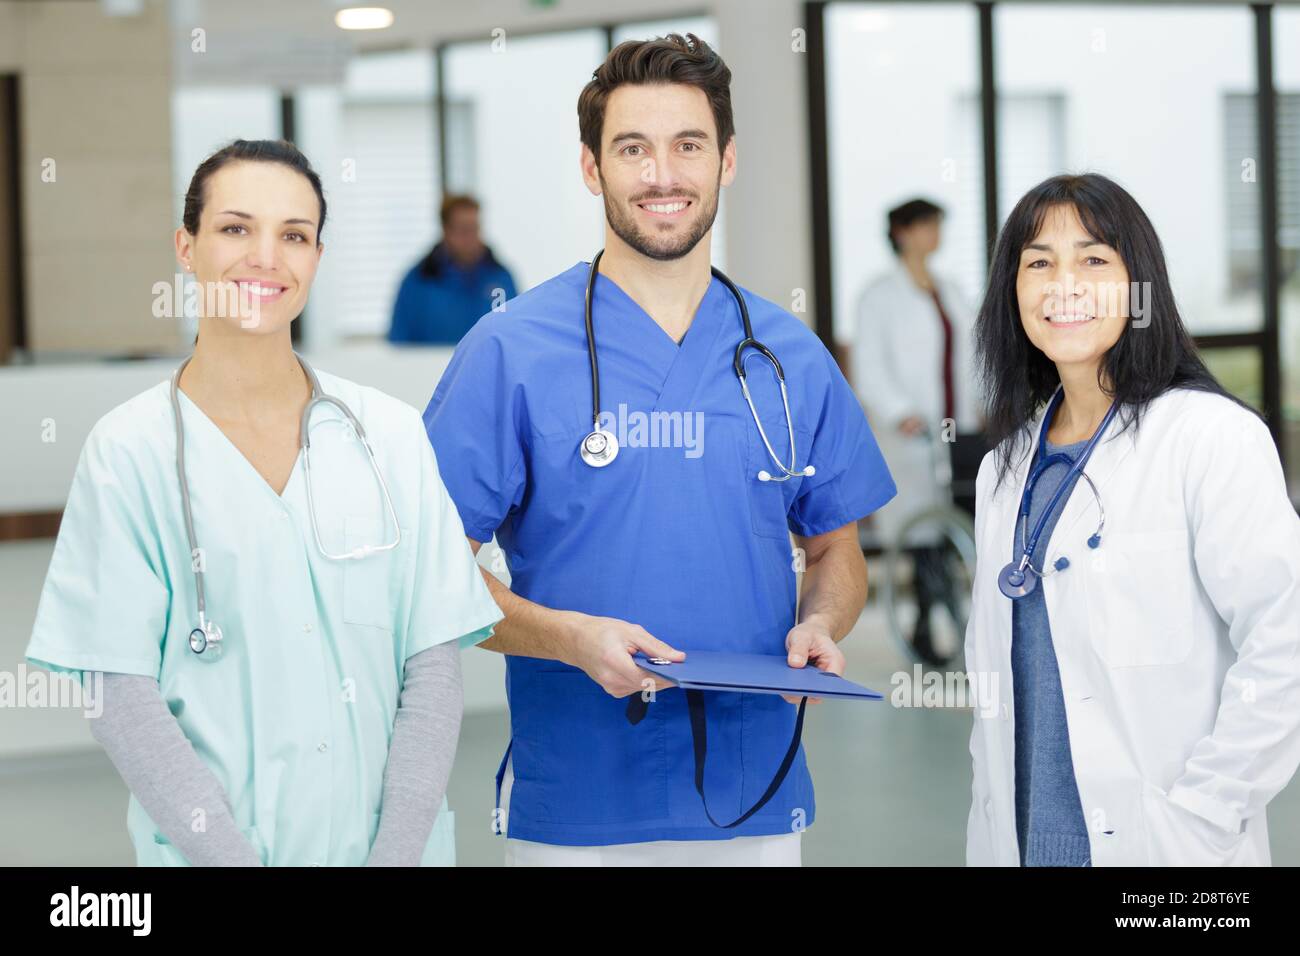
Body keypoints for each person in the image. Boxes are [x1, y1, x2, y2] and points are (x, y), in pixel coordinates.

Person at [424, 34, 896, 866]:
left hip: (752, 791)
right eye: (632, 149)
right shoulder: (510, 352)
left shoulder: (789, 354)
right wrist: (569, 639)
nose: (662, 175)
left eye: (688, 145)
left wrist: (821, 622)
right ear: (590, 166)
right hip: (575, 800)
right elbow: (434, 578)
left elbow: (835, 547)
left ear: (728, 159)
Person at [25, 139, 502, 867]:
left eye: (294, 236)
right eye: (235, 228)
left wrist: (396, 856)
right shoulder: (129, 451)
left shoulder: (390, 435)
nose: (266, 258)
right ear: (186, 247)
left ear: (316, 257)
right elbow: (118, 694)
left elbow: (432, 667)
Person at [963, 172, 1300, 866]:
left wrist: (1206, 811)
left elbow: (1286, 641)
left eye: (1093, 259)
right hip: (1024, 844)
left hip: (1166, 851)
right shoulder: (1004, 469)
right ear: (1013, 292)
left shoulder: (1209, 438)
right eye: (1039, 263)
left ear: (1138, 283)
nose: (1064, 284)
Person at [852, 199, 983, 665]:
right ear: (903, 232)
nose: (936, 235)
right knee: (924, 535)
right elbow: (869, 368)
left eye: (938, 226)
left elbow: (973, 357)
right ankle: (931, 627)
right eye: (928, 225)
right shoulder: (879, 295)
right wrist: (900, 412)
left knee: (958, 527)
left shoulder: (949, 290)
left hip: (957, 430)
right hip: (912, 434)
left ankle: (948, 625)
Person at [388, 194, 517, 345]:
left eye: (474, 228)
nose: (471, 238)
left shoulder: (501, 279)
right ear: (446, 231)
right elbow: (399, 342)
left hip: (486, 367)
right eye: (463, 230)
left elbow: (514, 335)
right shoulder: (418, 282)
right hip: (431, 368)